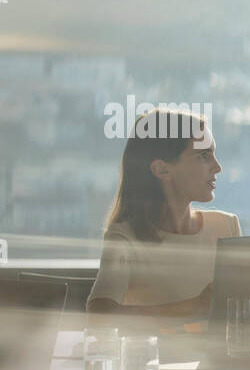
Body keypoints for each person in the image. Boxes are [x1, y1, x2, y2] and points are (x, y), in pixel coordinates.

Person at [87, 108, 240, 319]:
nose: (218, 167)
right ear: (161, 169)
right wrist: (192, 307)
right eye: (204, 155)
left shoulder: (227, 227)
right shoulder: (125, 238)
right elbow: (99, 313)